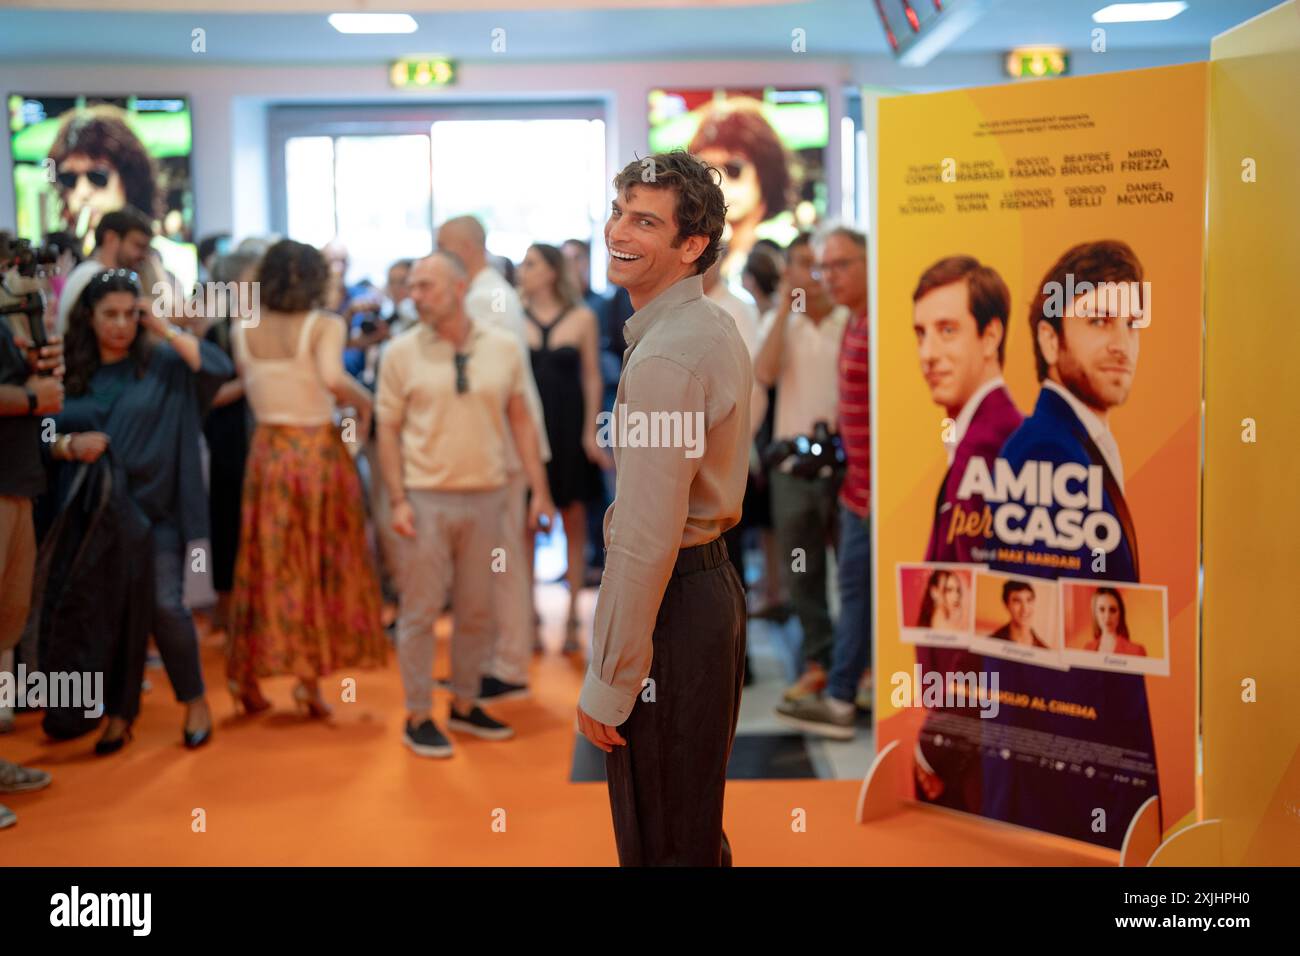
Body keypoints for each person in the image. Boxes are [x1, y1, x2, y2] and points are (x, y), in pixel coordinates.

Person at [577, 151, 751, 866]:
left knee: (665, 841)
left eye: (645, 220)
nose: (621, 229)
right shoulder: (705, 328)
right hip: (700, 593)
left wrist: (609, 680)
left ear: (691, 246)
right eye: (620, 212)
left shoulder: (663, 361)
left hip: (675, 606)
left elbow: (646, 539)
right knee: (690, 827)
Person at [982, 239, 1155, 849]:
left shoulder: (1084, 440)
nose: (1121, 343)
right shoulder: (1050, 448)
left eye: (1131, 322)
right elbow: (1055, 655)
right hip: (1072, 775)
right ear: (1052, 342)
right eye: (1098, 321)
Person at [377, 252, 555, 758]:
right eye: (412, 286)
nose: (416, 295)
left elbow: (521, 421)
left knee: (478, 610)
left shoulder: (501, 348)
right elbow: (386, 430)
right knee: (420, 610)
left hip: (489, 497)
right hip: (426, 499)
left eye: (426, 285)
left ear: (459, 288)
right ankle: (417, 712)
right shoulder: (400, 352)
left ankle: (464, 701)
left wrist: (538, 491)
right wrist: (396, 498)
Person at [54, 269, 232, 752]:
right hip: (94, 518)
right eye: (108, 314)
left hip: (157, 512)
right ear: (87, 317)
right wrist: (68, 444)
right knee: (109, 614)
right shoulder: (68, 370)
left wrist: (165, 327)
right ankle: (117, 713)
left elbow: (215, 366)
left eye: (129, 313)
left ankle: (195, 700)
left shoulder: (162, 364)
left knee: (164, 607)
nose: (119, 324)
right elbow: (39, 435)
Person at [225, 240, 387, 717]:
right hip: (315, 452)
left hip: (267, 453)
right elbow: (334, 378)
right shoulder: (325, 325)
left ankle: (247, 678)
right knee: (316, 562)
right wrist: (364, 403)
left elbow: (254, 381)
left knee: (265, 561)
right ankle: (307, 681)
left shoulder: (244, 326)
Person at [436, 215, 551, 692]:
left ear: (464, 247)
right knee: (492, 561)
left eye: (442, 248)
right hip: (498, 445)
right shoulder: (488, 294)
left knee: (501, 560)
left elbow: (487, 383)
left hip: (501, 446)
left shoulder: (483, 298)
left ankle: (506, 666)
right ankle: (491, 661)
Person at [752, 231, 848, 703]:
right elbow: (763, 374)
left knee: (850, 568)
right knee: (802, 570)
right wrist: (785, 311)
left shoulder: (852, 320)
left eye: (820, 265)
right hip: (791, 463)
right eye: (801, 264)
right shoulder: (779, 322)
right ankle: (819, 660)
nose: (811, 275)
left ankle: (858, 665)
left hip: (846, 462)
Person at [516, 243, 611, 640]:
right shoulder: (512, 319)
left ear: (552, 272)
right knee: (527, 523)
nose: (523, 270)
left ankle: (573, 609)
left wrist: (591, 430)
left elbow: (592, 376)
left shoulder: (582, 317)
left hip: (569, 427)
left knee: (573, 517)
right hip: (527, 430)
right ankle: (530, 612)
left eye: (531, 263)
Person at [0, 245, 63, 825]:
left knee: (6, 631)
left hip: (17, 483)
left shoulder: (14, 318)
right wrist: (30, 397)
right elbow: (27, 400)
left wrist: (40, 374)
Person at [201, 249, 260, 636]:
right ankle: (225, 605)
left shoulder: (267, 325)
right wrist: (251, 382)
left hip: (262, 441)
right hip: (226, 443)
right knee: (226, 523)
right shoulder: (215, 330)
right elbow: (208, 396)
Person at [689, 98, 792, 281]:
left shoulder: (783, 244)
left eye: (733, 169)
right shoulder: (699, 249)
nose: (718, 182)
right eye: (707, 170)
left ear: (765, 171)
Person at [47, 104, 159, 239]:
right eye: (69, 179)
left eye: (97, 177)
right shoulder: (66, 254)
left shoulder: (173, 258)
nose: (82, 192)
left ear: (129, 181)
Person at [56, 207, 154, 334]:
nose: (143, 256)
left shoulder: (90, 272)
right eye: (138, 246)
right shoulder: (94, 277)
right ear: (110, 238)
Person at [1083, 587, 1145, 656]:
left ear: (1120, 614)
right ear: (1095, 613)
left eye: (1112, 610)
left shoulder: (1136, 651)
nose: (1107, 616)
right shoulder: (1087, 649)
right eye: (1102, 609)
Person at [990, 580, 1048, 648]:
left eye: (1029, 600)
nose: (1025, 609)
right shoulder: (992, 642)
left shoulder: (1043, 649)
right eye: (1017, 601)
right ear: (1006, 605)